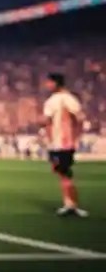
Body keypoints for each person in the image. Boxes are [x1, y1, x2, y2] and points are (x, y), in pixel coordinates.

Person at [42, 72, 87, 217]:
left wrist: (74, 136)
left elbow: (47, 121)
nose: (47, 85)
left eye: (49, 82)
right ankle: (69, 203)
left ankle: (72, 205)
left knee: (65, 173)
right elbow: (79, 118)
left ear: (56, 83)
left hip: (62, 143)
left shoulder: (62, 99)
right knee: (63, 173)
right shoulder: (64, 99)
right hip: (60, 143)